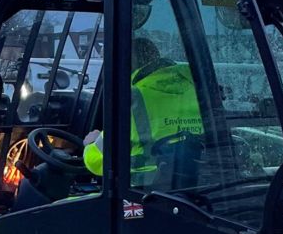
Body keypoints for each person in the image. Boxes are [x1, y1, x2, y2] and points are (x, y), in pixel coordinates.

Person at [83, 38, 204, 183]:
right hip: (197, 183)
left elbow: (97, 162)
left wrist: (91, 143)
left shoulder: (133, 97)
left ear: (126, 65)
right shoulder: (199, 90)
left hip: (144, 189)